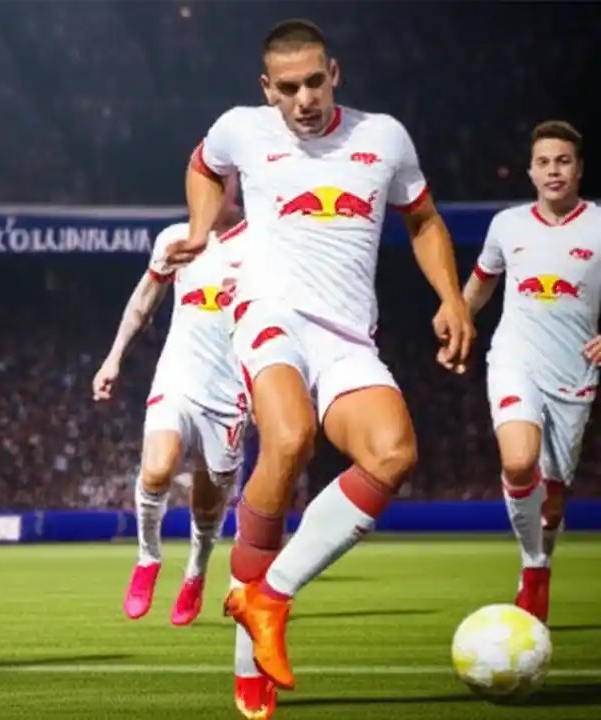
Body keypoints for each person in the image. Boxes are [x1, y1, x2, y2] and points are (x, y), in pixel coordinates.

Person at [171, 18, 475, 706]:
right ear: (266, 90)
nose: (304, 98)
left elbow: (423, 219)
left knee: (393, 453)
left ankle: (268, 596)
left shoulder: (384, 137)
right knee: (290, 437)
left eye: (315, 81)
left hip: (346, 337)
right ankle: (249, 663)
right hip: (268, 313)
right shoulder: (241, 128)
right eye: (289, 87)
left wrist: (452, 298)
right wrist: (200, 227)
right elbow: (201, 165)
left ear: (334, 72)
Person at [92, 174, 248, 628]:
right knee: (156, 469)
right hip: (177, 376)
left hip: (230, 393)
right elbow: (144, 300)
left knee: (207, 502)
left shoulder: (261, 244)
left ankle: (196, 572)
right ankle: (148, 558)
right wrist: (113, 358)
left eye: (223, 184)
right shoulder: (176, 240)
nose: (212, 193)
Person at [462, 120, 598, 623]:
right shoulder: (508, 225)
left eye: (563, 161)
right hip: (515, 358)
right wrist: (455, 320)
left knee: (553, 500)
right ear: (531, 171)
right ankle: (535, 569)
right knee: (519, 463)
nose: (553, 170)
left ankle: (538, 557)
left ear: (579, 169)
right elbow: (480, 284)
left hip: (575, 374)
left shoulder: (599, 226)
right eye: (544, 162)